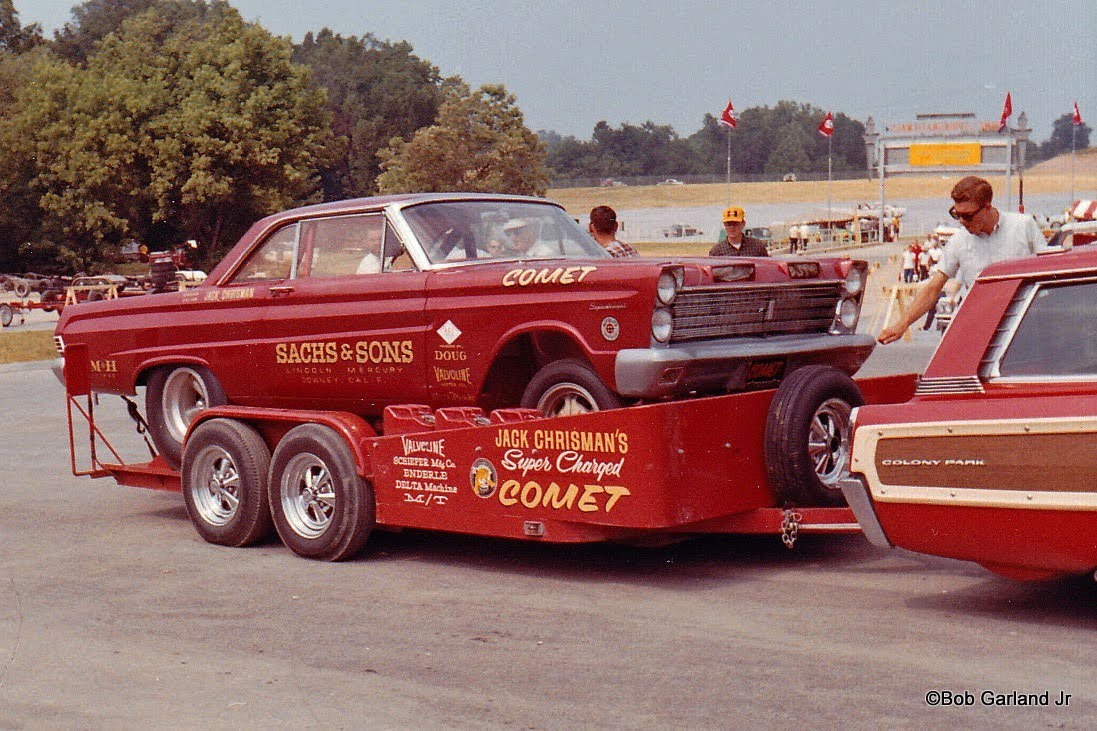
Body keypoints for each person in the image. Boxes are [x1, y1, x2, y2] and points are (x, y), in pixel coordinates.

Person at [878, 176, 1044, 344]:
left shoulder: (1024, 226)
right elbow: (933, 288)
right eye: (957, 215)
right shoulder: (959, 241)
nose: (962, 222)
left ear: (987, 207)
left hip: (1026, 322)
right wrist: (902, 324)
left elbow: (1048, 272)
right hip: (982, 326)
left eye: (967, 216)